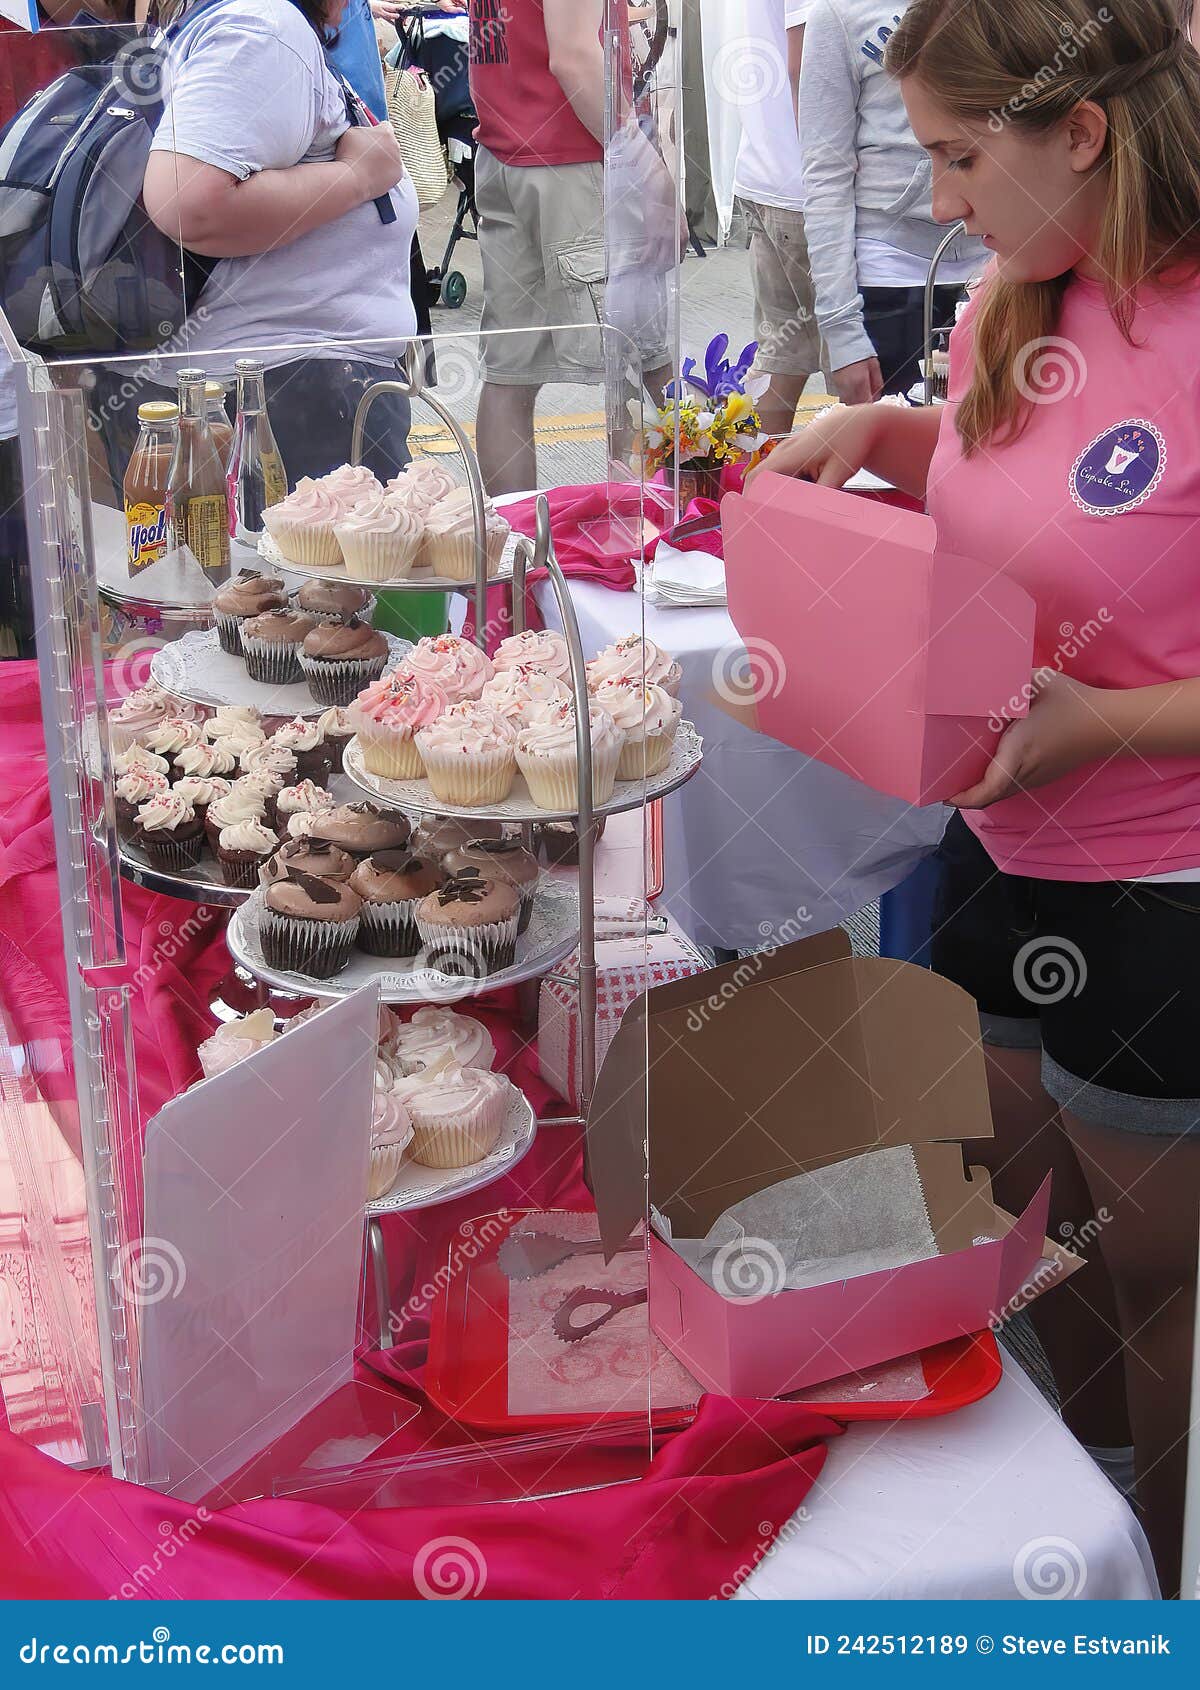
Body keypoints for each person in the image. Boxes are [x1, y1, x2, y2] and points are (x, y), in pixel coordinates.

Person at [760, 0, 1200, 1596]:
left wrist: (1105, 725)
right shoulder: (1019, 293)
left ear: (1081, 132)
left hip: (1160, 896)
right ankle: (1076, 1529)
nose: (939, 203)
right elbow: (1012, 463)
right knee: (1034, 1242)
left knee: (1157, 1287)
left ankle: (1156, 1578)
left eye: (958, 158)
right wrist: (891, 436)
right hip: (1001, 851)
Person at [141, 0, 418, 482]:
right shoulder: (265, 27)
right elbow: (189, 203)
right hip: (293, 398)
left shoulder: (253, 22)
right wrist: (356, 177)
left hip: (288, 387)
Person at [467, 0, 675, 494]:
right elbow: (574, 57)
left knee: (511, 375)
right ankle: (649, 531)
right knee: (636, 365)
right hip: (573, 155)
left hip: (506, 152)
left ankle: (516, 536)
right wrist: (650, 170)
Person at [797, 0, 986, 401]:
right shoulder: (838, 13)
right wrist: (842, 331)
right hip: (889, 273)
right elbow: (826, 173)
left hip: (995, 261)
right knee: (894, 433)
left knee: (1002, 431)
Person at [730, 0, 823, 434]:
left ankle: (754, 471)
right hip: (808, 186)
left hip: (770, 175)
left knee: (781, 356)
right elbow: (805, 63)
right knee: (859, 368)